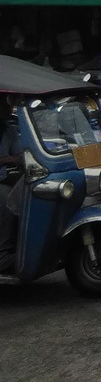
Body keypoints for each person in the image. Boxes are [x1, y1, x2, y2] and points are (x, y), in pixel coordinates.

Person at [0, 94, 22, 272]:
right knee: (6, 198)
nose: (8, 109)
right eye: (4, 105)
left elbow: (20, 155)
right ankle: (2, 252)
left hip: (4, 177)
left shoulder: (9, 130)